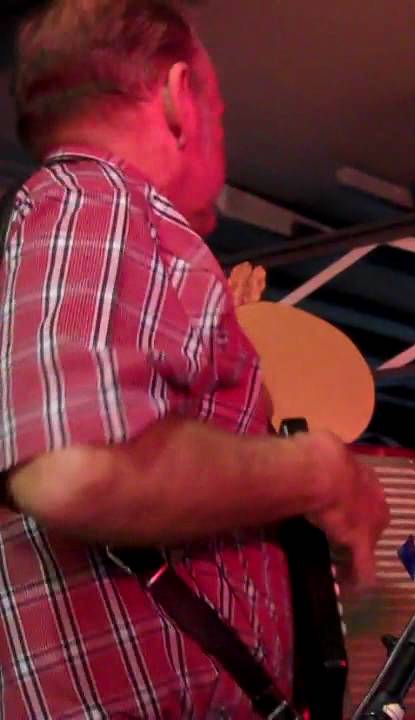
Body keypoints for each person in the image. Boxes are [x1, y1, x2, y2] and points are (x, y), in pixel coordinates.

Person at [0, 2, 389, 717]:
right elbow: (72, 469)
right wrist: (318, 469)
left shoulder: (92, 218)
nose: (219, 133)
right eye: (221, 111)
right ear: (179, 97)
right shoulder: (97, 197)